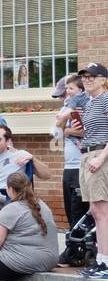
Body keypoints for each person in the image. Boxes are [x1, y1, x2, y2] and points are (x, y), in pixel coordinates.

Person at [75, 63, 108, 279]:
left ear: (103, 80)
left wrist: (102, 157)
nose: (86, 80)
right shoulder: (89, 102)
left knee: (102, 211)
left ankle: (105, 263)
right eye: (84, 77)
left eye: (91, 77)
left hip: (100, 155)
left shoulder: (106, 99)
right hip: (87, 154)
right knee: (95, 211)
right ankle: (101, 260)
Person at [53, 74, 90, 262]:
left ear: (81, 91)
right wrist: (65, 125)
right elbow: (55, 132)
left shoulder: (86, 106)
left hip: (82, 164)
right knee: (69, 208)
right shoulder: (66, 109)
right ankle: (74, 247)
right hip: (69, 166)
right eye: (66, 90)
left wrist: (66, 128)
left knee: (78, 209)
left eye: (71, 90)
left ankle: (77, 250)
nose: (67, 94)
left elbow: (87, 131)